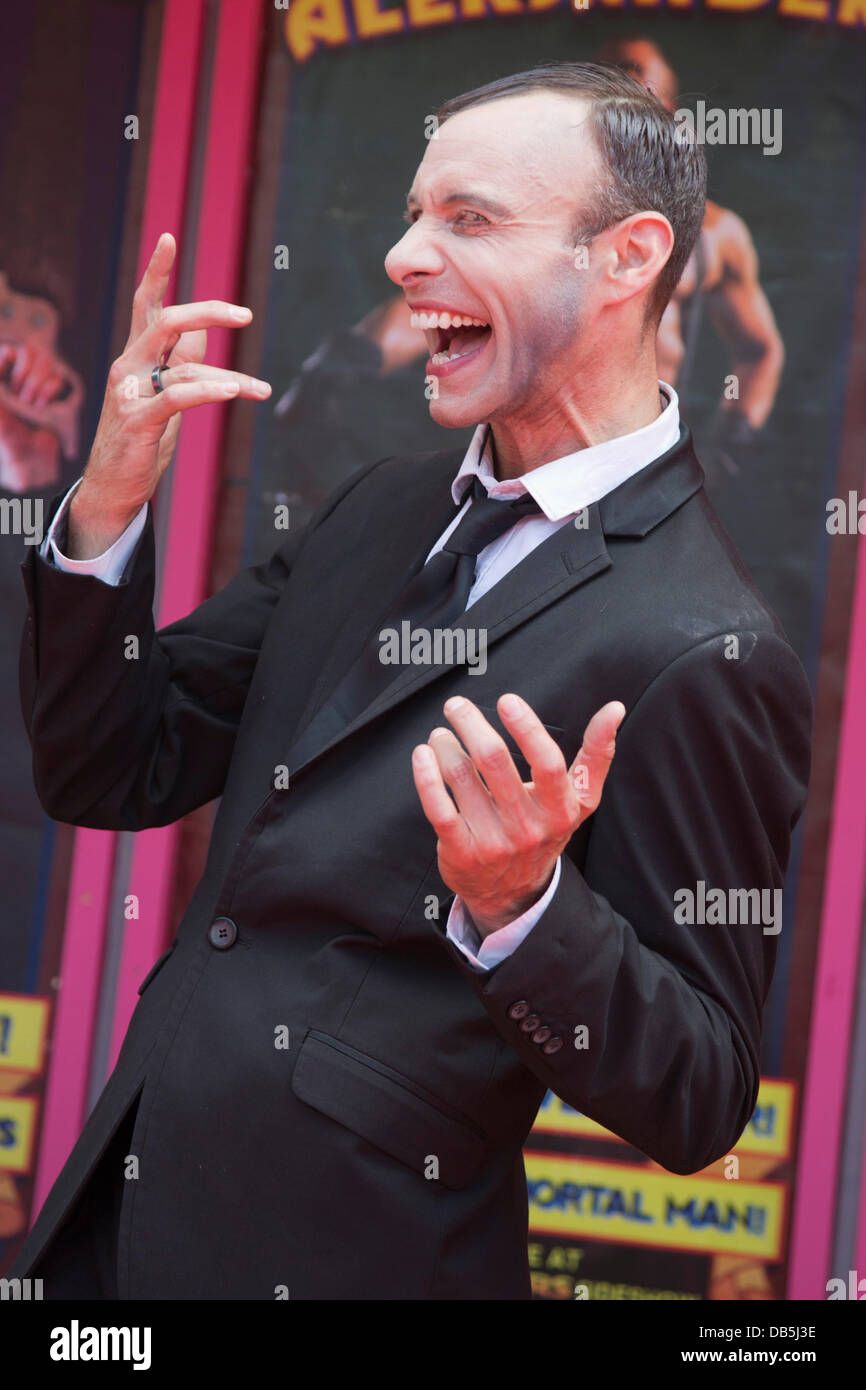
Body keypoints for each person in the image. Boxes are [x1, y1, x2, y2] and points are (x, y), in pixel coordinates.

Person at [9, 62, 811, 1300]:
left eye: (468, 218)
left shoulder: (705, 642)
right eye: (412, 212)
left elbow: (698, 1096)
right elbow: (115, 760)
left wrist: (522, 907)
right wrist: (106, 506)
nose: (401, 255)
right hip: (115, 1227)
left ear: (626, 257)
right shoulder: (380, 510)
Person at [595, 37, 785, 480]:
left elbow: (760, 351)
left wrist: (729, 448)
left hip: (644, 476)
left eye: (643, 89)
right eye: (610, 84)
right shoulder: (535, 214)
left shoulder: (715, 234)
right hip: (540, 470)